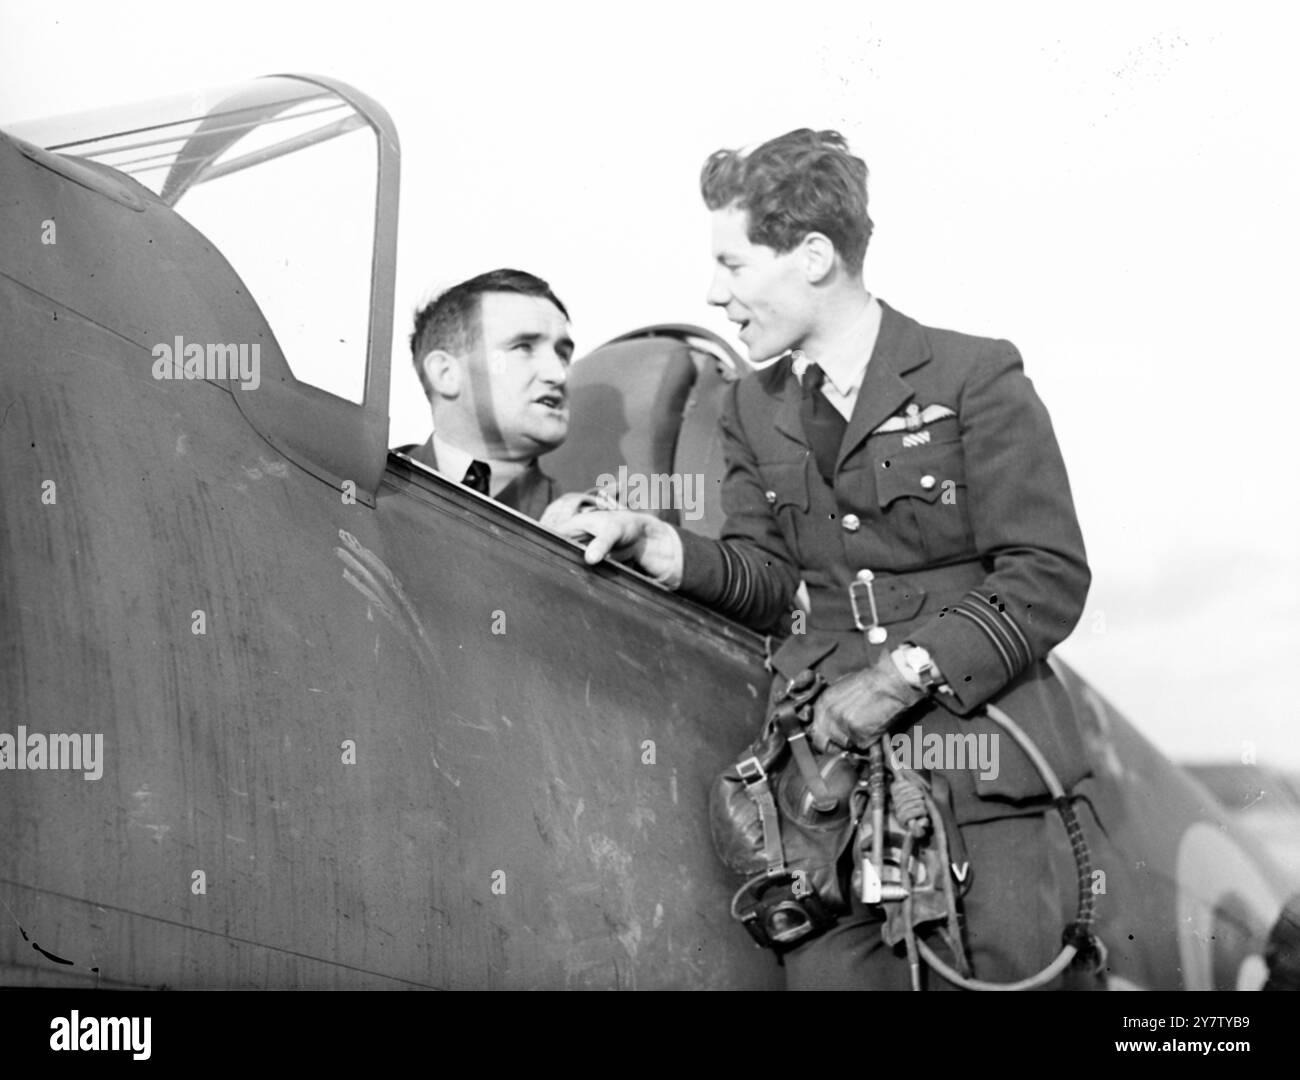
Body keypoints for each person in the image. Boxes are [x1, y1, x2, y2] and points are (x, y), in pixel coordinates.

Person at [551, 129, 1096, 990]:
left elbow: (1046, 573)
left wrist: (899, 677)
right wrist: (656, 542)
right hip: (825, 794)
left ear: (811, 256)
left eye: (733, 265)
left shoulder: (972, 375)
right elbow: (767, 582)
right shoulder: (750, 409)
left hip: (980, 774)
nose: (714, 294)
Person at [399, 268, 573, 520]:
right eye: (523, 347)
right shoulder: (358, 485)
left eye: (562, 353)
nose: (558, 374)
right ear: (445, 373)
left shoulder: (590, 531)